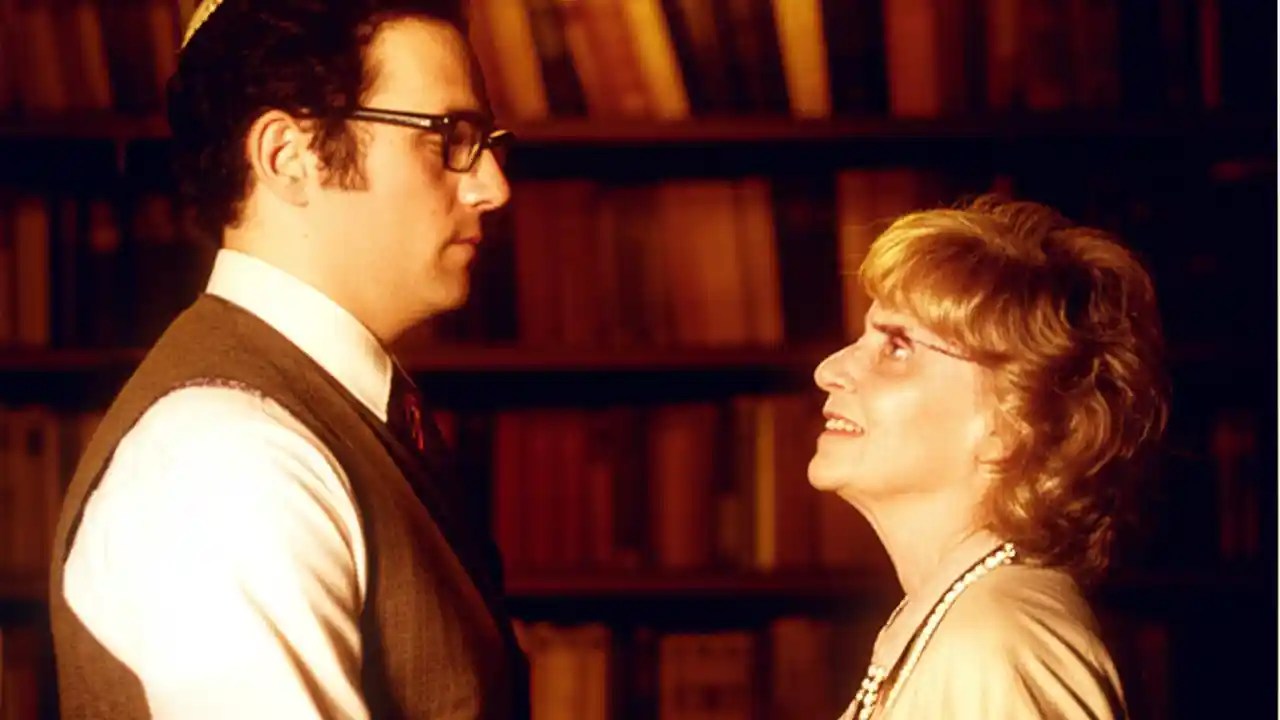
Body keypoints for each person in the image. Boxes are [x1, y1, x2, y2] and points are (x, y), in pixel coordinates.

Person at [49, 1, 527, 718]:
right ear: (288, 157)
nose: (492, 185)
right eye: (448, 137)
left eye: (485, 139)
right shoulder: (228, 462)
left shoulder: (323, 418)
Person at [811, 195, 1168, 719]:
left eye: (897, 347)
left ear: (1014, 423)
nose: (828, 369)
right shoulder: (963, 621)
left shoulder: (998, 645)